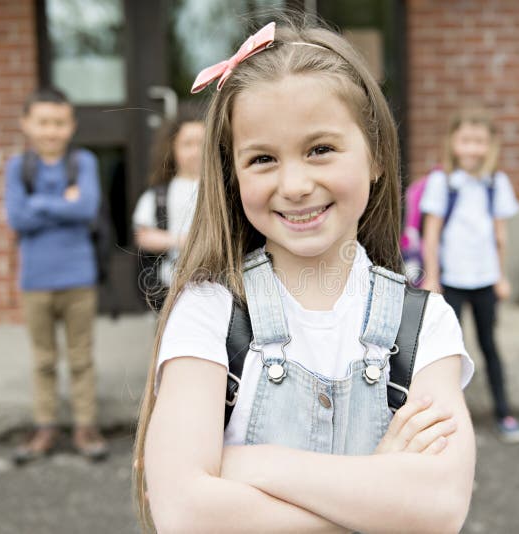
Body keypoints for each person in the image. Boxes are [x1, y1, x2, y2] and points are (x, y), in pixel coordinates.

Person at [132, 20, 476, 533]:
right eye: (263, 159)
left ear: (376, 155)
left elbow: (440, 507)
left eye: (320, 149)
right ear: (234, 176)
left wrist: (248, 465)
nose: (294, 185)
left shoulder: (424, 326)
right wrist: (379, 494)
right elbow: (185, 514)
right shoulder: (210, 312)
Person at [4, 87, 109, 463]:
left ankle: (85, 426)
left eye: (58, 122)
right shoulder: (18, 167)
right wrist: (60, 202)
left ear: (71, 126)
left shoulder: (83, 162)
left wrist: (39, 204)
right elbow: (16, 217)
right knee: (43, 359)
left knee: (81, 357)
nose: (51, 130)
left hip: (79, 277)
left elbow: (86, 208)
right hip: (34, 280)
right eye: (43, 122)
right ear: (27, 125)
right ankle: (45, 425)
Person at [420, 107, 519, 444]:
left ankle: (503, 411)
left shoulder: (496, 183)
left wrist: (502, 276)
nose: (472, 148)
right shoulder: (442, 182)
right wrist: (432, 277)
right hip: (451, 280)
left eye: (479, 141)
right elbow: (432, 234)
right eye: (466, 140)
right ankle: (451, 419)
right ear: (453, 142)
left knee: (489, 345)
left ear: (490, 145)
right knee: (450, 351)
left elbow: (501, 235)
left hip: (484, 280)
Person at [131, 117, 205, 310]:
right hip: (171, 285)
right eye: (187, 144)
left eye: (202, 143)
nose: (196, 151)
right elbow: (143, 235)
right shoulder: (159, 194)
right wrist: (184, 241)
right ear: (172, 148)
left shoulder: (225, 191)